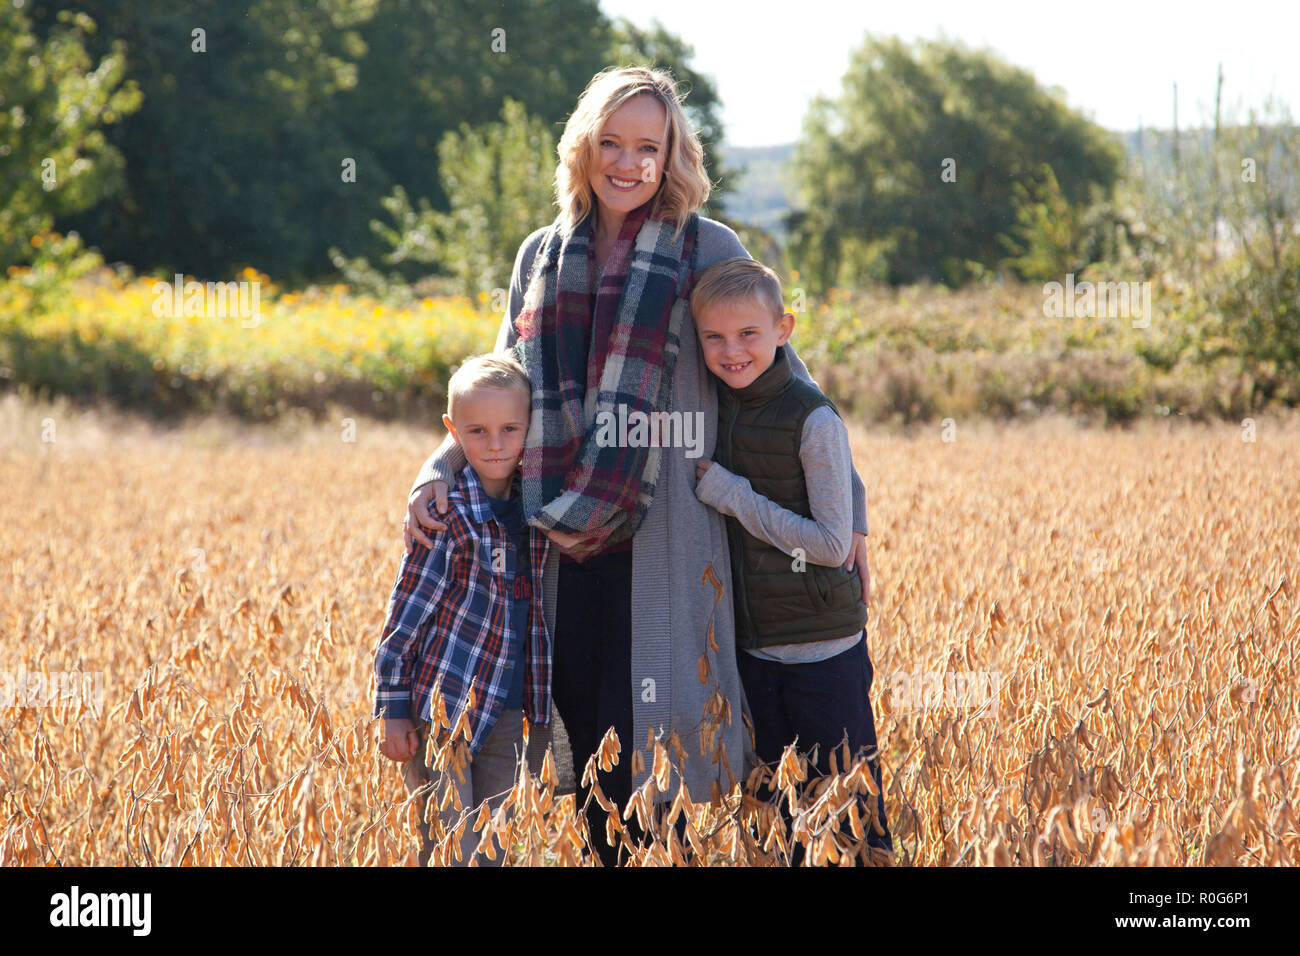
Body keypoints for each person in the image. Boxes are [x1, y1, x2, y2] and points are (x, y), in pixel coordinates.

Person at [402, 66, 872, 867]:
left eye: (647, 147)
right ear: (583, 147)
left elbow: (784, 383)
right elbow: (500, 386)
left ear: (671, 154)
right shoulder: (542, 254)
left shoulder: (707, 246)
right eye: (611, 143)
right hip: (561, 541)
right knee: (592, 745)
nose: (628, 163)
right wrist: (435, 467)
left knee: (659, 750)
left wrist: (848, 516)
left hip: (674, 536)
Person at [689, 256, 892, 865]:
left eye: (748, 334)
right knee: (773, 818)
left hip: (821, 652)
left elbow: (831, 546)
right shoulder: (717, 403)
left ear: (784, 329)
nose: (731, 352)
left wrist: (734, 495)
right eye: (714, 338)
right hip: (752, 652)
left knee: (846, 812)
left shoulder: (812, 417)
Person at [374, 353, 551, 866]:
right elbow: (404, 618)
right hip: (442, 710)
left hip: (511, 707)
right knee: (449, 849)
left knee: (494, 850)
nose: (495, 445)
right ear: (452, 431)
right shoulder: (444, 515)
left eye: (509, 429)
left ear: (530, 428)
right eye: (477, 431)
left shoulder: (537, 508)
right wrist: (393, 708)